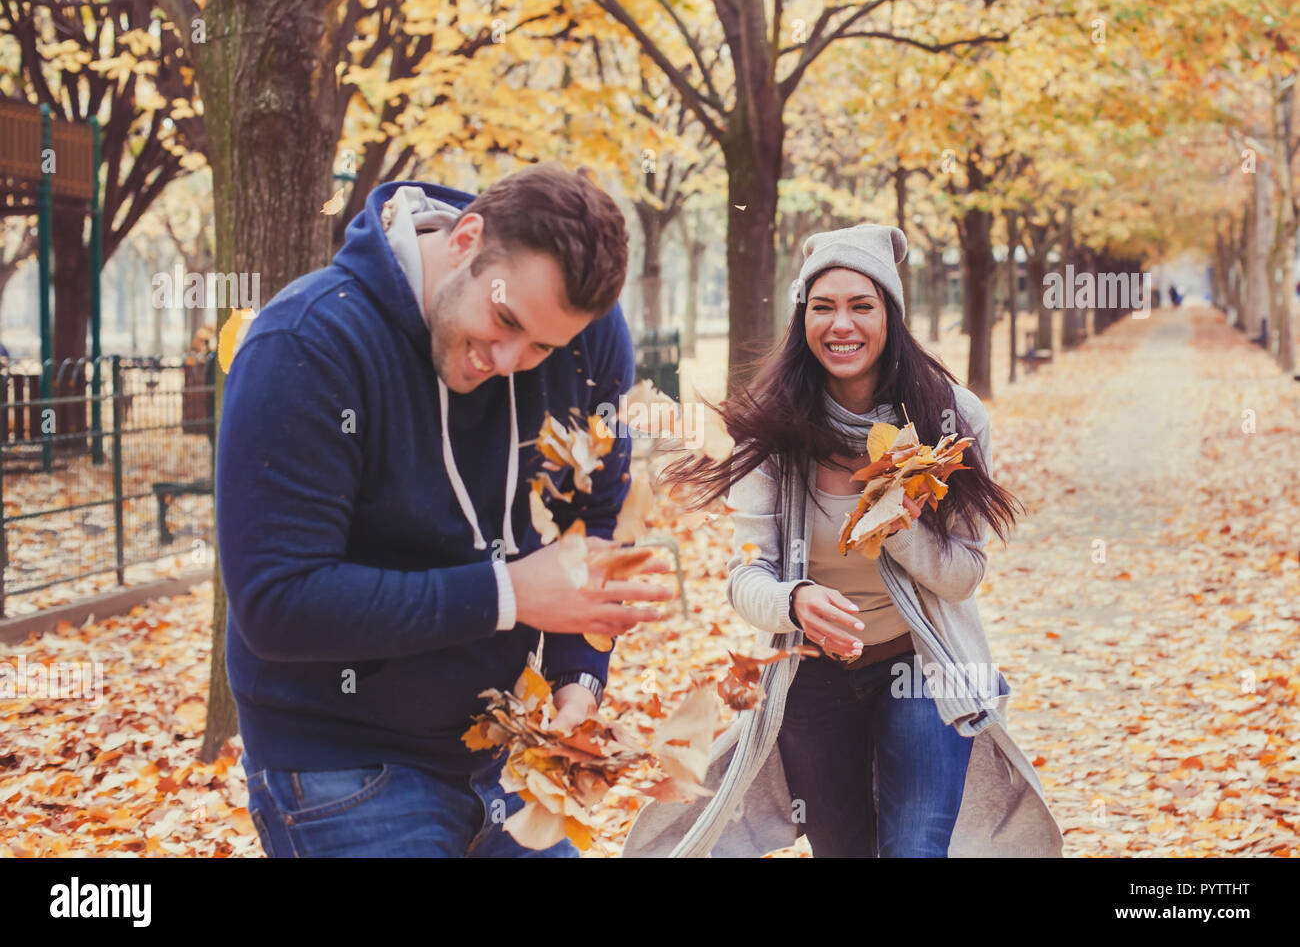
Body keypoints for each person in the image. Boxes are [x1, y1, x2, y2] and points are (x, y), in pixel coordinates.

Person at [216, 163, 673, 857]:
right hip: (339, 754)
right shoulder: (306, 343)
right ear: (465, 239)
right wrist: (511, 594)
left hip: (501, 743)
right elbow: (278, 603)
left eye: (542, 346)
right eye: (505, 320)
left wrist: (578, 685)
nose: (511, 358)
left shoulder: (589, 340)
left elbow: (592, 522)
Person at [623, 223, 1063, 858]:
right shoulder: (772, 430)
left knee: (914, 850)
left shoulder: (952, 419)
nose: (841, 325)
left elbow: (965, 574)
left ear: (891, 314)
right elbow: (746, 576)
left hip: (923, 667)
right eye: (822, 307)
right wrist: (795, 601)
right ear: (803, 317)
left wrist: (900, 528)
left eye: (862, 305)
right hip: (812, 680)